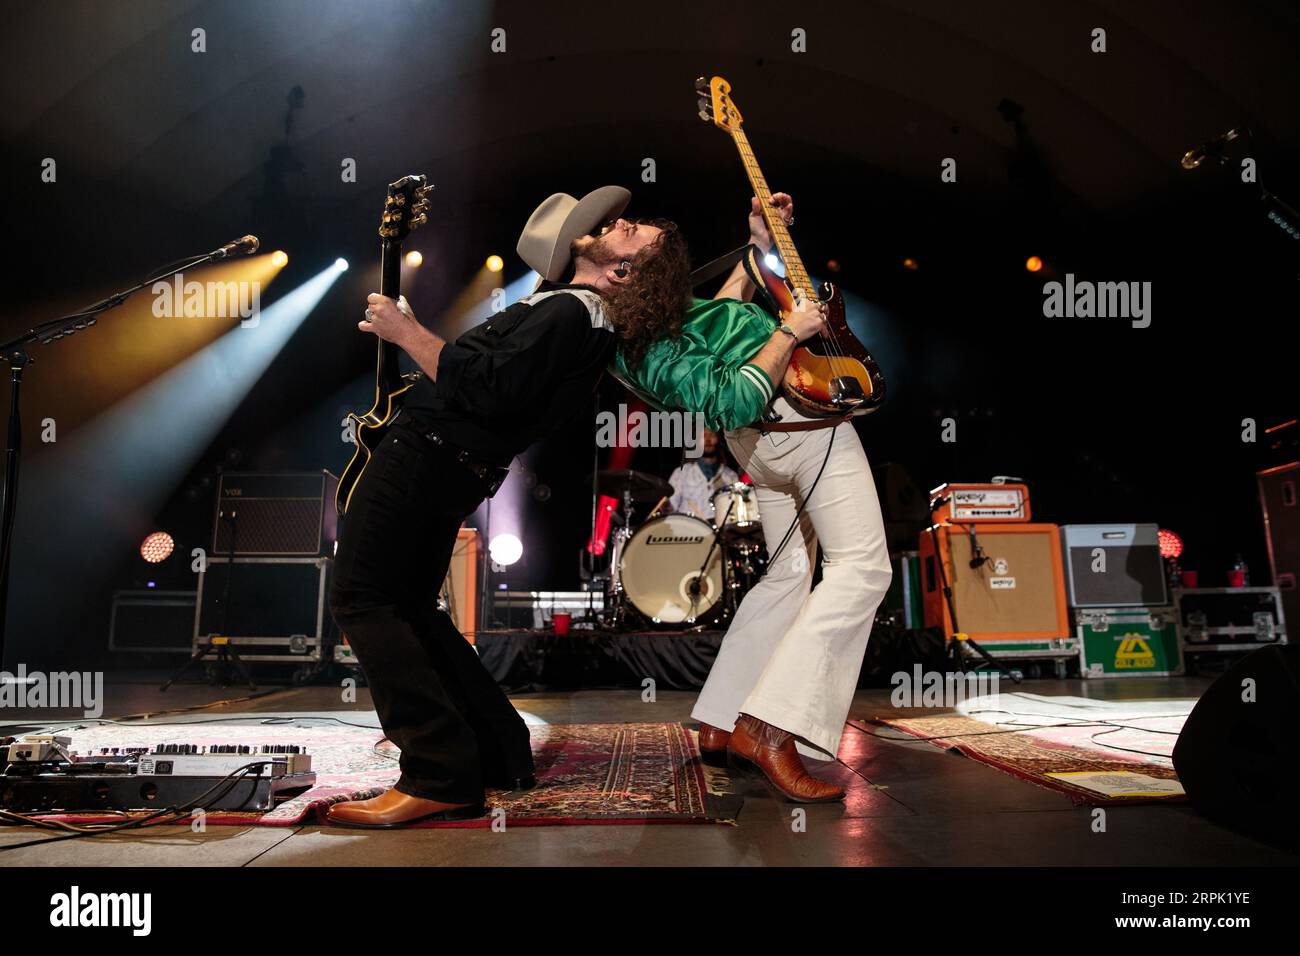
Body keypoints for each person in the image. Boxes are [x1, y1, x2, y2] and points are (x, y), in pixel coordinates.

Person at [326, 186, 690, 827]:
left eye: (632, 233)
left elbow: (484, 390)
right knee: (408, 606)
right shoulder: (572, 310)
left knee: (364, 598)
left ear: (623, 271)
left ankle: (438, 774)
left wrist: (404, 330)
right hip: (445, 462)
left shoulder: (574, 313)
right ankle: (496, 749)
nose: (621, 222)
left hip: (428, 458)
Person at [609, 192, 893, 803]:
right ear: (621, 271)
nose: (631, 224)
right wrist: (792, 329)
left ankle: (721, 718)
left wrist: (758, 244)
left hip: (761, 447)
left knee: (789, 573)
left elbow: (724, 317)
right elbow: (730, 394)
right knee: (864, 569)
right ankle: (768, 726)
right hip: (799, 424)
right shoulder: (639, 340)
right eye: (622, 231)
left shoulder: (652, 317)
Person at [662, 428, 738, 521]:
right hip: (687, 532)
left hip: (719, 532)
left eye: (712, 435)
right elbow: (671, 508)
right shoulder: (681, 473)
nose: (708, 440)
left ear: (719, 440)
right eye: (703, 436)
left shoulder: (731, 476)